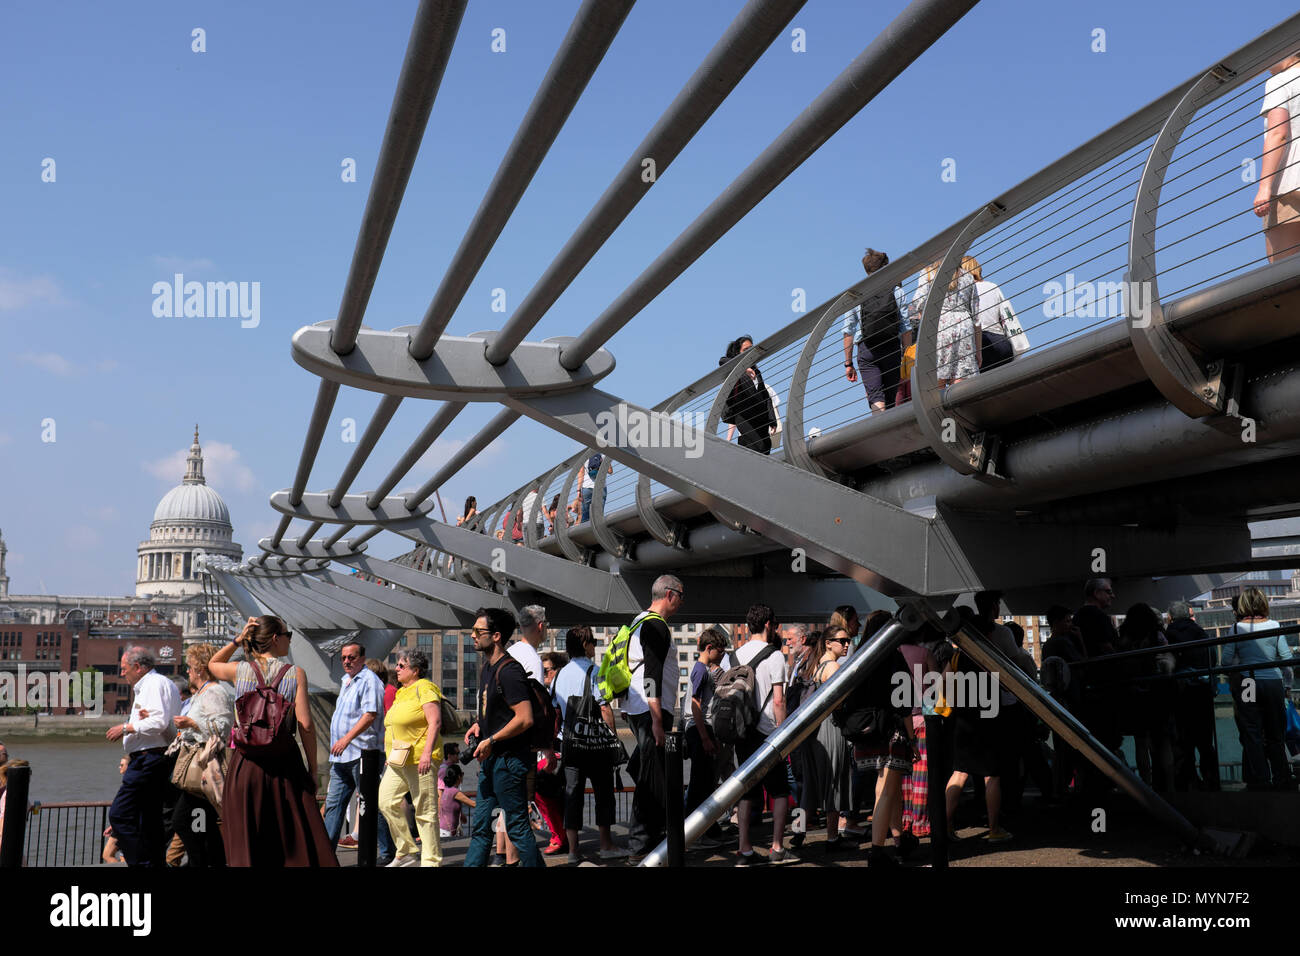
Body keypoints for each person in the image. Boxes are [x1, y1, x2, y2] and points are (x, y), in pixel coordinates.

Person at [208, 616, 339, 867]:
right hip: (285, 764)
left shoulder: (240, 671)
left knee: (250, 838)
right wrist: (312, 769)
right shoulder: (295, 674)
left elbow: (213, 663)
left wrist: (238, 639)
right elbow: (306, 725)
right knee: (294, 837)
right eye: (288, 635)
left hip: (246, 765)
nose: (290, 640)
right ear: (276, 638)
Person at [464, 607, 544, 867]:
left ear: (496, 635)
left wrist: (492, 740)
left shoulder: (509, 671)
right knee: (481, 829)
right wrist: (479, 726)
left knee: (518, 828)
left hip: (508, 762)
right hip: (491, 761)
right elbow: (496, 710)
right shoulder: (488, 668)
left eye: (479, 631)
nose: (473, 635)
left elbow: (525, 718)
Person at [552, 625, 629, 863]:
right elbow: (604, 707)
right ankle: (606, 844)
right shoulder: (595, 671)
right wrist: (613, 740)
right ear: (586, 645)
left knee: (572, 795)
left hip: (569, 745)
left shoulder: (559, 675)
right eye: (593, 641)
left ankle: (574, 851)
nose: (595, 646)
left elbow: (557, 711)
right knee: (603, 794)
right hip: (595, 745)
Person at [623, 575, 685, 863]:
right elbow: (651, 675)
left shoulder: (638, 620)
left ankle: (653, 834)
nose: (682, 602)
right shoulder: (656, 626)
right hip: (650, 709)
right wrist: (658, 718)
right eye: (681, 596)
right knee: (652, 773)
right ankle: (641, 843)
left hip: (635, 706)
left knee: (645, 765)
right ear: (670, 595)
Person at [105, 645, 181, 867]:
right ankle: (154, 863)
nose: (122, 673)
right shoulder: (157, 684)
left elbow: (157, 722)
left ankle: (140, 862)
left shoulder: (152, 685)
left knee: (120, 814)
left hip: (148, 760)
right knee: (149, 820)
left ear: (137, 667)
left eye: (124, 668)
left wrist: (126, 728)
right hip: (154, 758)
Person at [322, 641, 395, 864]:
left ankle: (387, 851)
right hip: (341, 757)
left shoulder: (370, 681)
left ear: (362, 658)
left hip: (363, 754)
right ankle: (325, 853)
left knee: (370, 803)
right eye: (344, 657)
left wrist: (345, 739)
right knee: (334, 805)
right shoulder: (346, 681)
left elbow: (369, 714)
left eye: (351, 657)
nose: (346, 661)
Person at [733, 603, 793, 865]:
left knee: (746, 791)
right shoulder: (776, 656)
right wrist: (785, 735)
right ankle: (777, 847)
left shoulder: (735, 655)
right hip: (768, 733)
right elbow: (778, 701)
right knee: (779, 791)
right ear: (769, 624)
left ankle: (744, 849)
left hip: (742, 731)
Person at [1221, 587, 1295, 790]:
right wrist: (1287, 684)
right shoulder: (1275, 625)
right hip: (1273, 681)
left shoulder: (1236, 629)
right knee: (1275, 735)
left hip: (1248, 682)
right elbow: (1287, 659)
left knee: (1251, 733)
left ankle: (1261, 781)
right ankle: (1283, 779)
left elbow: (1225, 661)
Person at [170, 643, 234, 867]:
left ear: (200, 669)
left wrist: (192, 723)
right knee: (200, 822)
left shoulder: (214, 692)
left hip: (204, 769)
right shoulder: (204, 692)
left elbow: (223, 727)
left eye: (190, 667)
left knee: (183, 821)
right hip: (199, 772)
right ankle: (212, 861)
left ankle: (201, 862)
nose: (187, 671)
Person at [379, 648, 444, 866]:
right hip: (399, 758)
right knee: (386, 801)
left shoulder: (424, 688)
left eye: (401, 665)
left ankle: (431, 860)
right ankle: (405, 850)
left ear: (415, 670)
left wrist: (427, 753)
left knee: (425, 810)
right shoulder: (401, 692)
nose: (396, 669)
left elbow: (434, 722)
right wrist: (391, 753)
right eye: (397, 664)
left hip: (420, 758)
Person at [801, 625, 854, 851]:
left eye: (848, 640)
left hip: (813, 731)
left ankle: (797, 831)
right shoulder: (833, 666)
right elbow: (839, 703)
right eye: (841, 641)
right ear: (828, 642)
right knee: (834, 782)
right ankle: (832, 838)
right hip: (830, 727)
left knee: (811, 785)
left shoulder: (815, 665)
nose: (846, 645)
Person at [1165, 602, 1220, 791]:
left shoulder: (1167, 635)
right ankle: (1212, 780)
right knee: (1206, 742)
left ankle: (1188, 782)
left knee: (1183, 744)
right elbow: (1212, 657)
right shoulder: (1200, 633)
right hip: (1202, 692)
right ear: (1189, 615)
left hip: (1179, 696)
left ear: (1171, 617)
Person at [842, 248, 904, 413]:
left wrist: (848, 364)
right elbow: (906, 327)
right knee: (891, 400)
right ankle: (889, 431)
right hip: (892, 348)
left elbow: (848, 331)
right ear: (885, 268)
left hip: (867, 349)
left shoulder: (857, 295)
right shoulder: (896, 291)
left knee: (876, 397)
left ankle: (881, 430)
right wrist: (904, 355)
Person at [684, 626, 728, 849]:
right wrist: (705, 738)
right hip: (700, 730)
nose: (722, 655)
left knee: (700, 784)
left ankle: (697, 833)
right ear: (709, 648)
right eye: (720, 651)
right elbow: (696, 705)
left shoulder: (700, 669)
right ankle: (695, 835)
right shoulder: (701, 670)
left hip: (698, 730)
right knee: (700, 785)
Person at [1255, 52, 1300, 263]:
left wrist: (1265, 188)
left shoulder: (1280, 81)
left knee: (1283, 277)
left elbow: (1278, 133)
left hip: (1290, 187)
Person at [911, 260, 980, 386]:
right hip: (964, 326)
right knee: (960, 382)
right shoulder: (968, 277)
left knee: (937, 382)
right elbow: (976, 317)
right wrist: (979, 351)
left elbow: (919, 302)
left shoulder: (928, 273)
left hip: (938, 325)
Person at [719, 336, 778, 453]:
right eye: (745, 350)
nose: (749, 352)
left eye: (751, 348)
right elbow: (722, 361)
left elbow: (765, 396)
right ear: (738, 353)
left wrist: (772, 420)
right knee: (758, 445)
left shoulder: (757, 371)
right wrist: (743, 368)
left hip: (761, 416)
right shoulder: (737, 370)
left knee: (766, 446)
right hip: (743, 414)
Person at [963, 255, 1018, 371]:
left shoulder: (963, 292)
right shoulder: (993, 287)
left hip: (979, 344)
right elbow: (1006, 314)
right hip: (1001, 343)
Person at [438, 764, 475, 838]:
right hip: (447, 832)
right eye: (462, 774)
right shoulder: (455, 792)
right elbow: (473, 804)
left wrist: (461, 815)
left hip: (443, 830)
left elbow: (450, 807)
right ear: (459, 776)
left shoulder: (446, 790)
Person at [574, 455, 613, 523]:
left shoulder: (584, 457)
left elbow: (581, 474)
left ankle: (584, 531)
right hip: (601, 487)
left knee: (585, 515)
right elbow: (610, 471)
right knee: (599, 513)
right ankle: (597, 530)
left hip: (586, 488)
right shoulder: (603, 455)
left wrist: (578, 491)